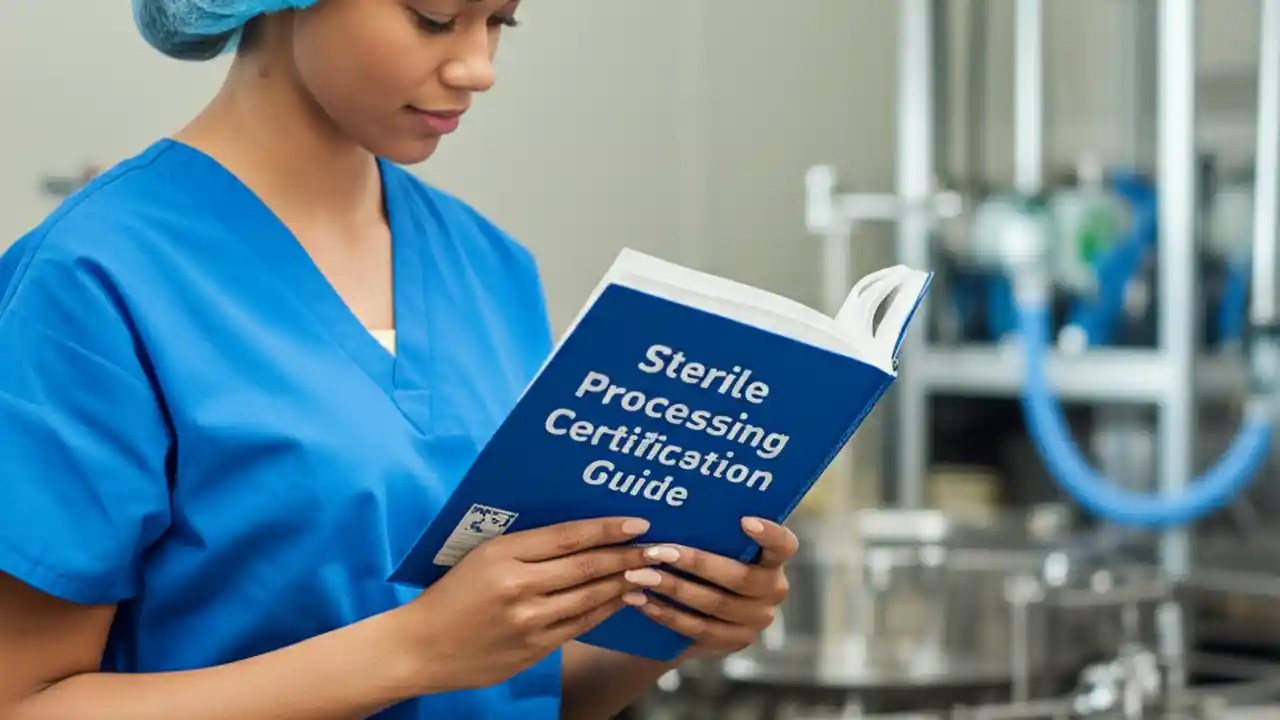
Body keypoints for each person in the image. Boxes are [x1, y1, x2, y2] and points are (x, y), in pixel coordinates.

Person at [0, 1, 799, 718]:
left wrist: (673, 627)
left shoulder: (490, 266)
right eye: (432, 17)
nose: (477, 67)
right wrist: (412, 650)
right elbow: (26, 702)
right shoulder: (93, 278)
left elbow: (511, 691)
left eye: (500, 22)